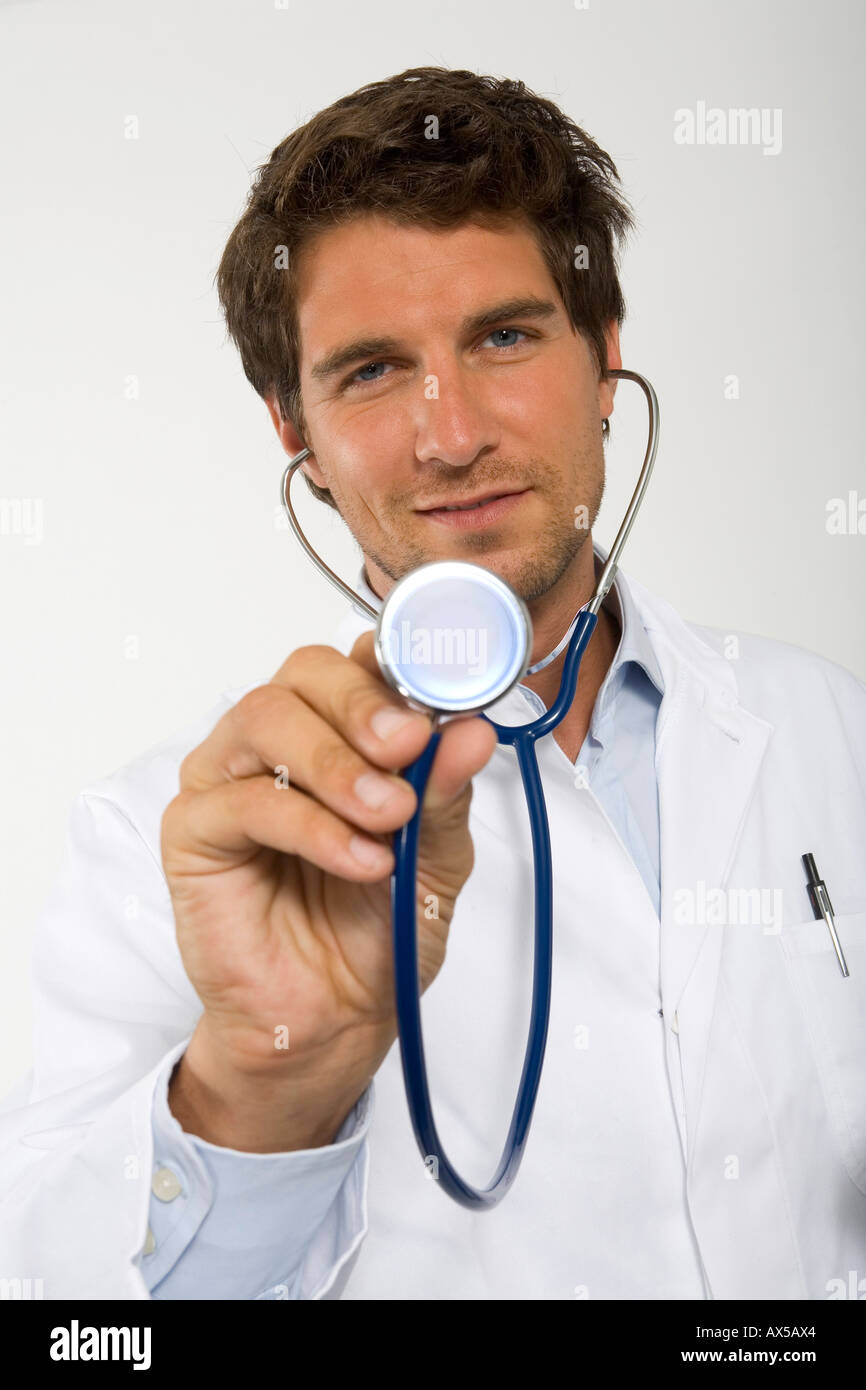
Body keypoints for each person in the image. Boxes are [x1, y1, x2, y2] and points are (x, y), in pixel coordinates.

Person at [1, 66, 864, 1302]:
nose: (449, 433)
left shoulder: (830, 735)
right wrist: (267, 1079)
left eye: (502, 336)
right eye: (366, 370)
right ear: (291, 430)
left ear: (605, 355)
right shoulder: (170, 844)